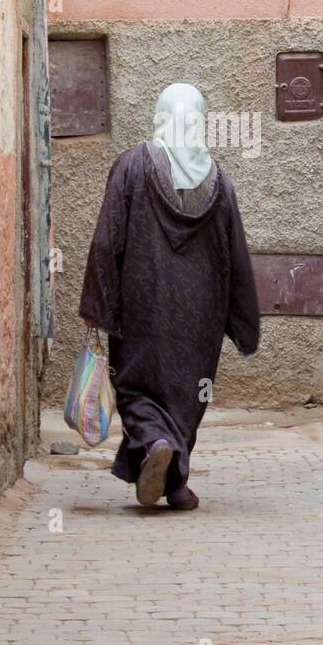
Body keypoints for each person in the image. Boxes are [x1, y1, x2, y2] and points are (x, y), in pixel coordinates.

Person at [79, 82, 260, 510]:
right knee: (187, 393)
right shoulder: (219, 183)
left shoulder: (132, 167)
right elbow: (236, 256)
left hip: (142, 307)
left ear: (161, 116)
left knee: (138, 390)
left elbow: (107, 240)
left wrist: (97, 304)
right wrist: (242, 322)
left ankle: (157, 445)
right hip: (201, 318)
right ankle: (176, 483)